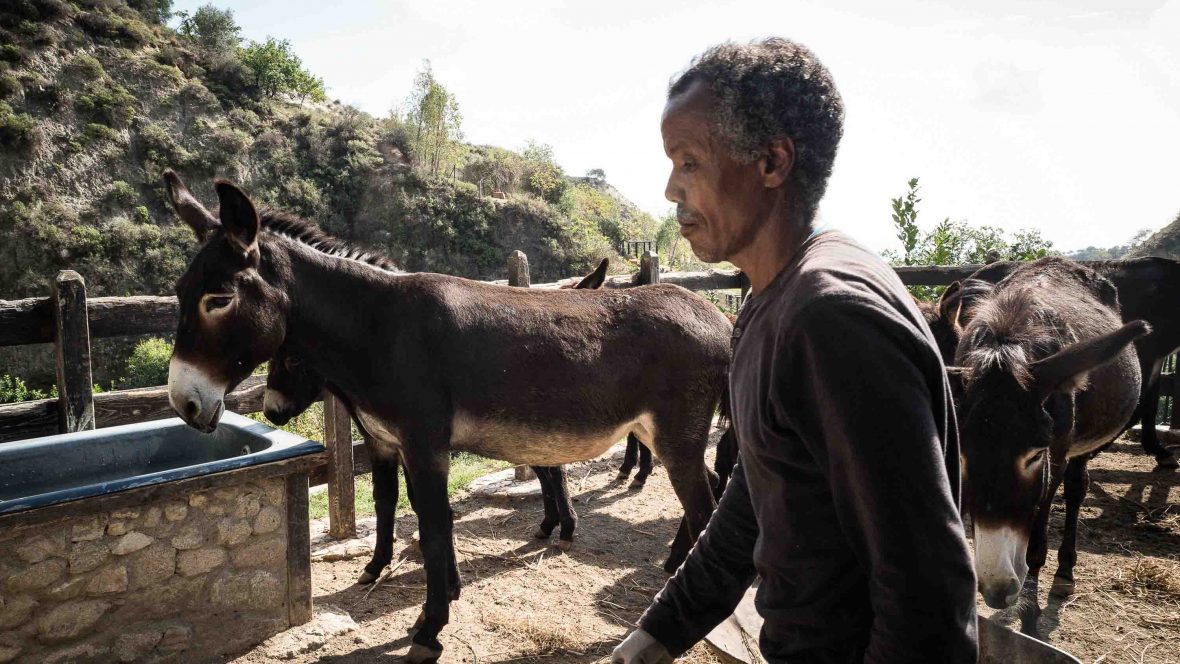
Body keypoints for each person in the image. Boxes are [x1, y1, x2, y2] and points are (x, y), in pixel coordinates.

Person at [612, 38, 978, 663]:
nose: (672, 189)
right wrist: (658, 634)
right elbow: (755, 494)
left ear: (772, 162)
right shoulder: (771, 298)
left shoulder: (832, 319)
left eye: (689, 162)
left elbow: (927, 598)